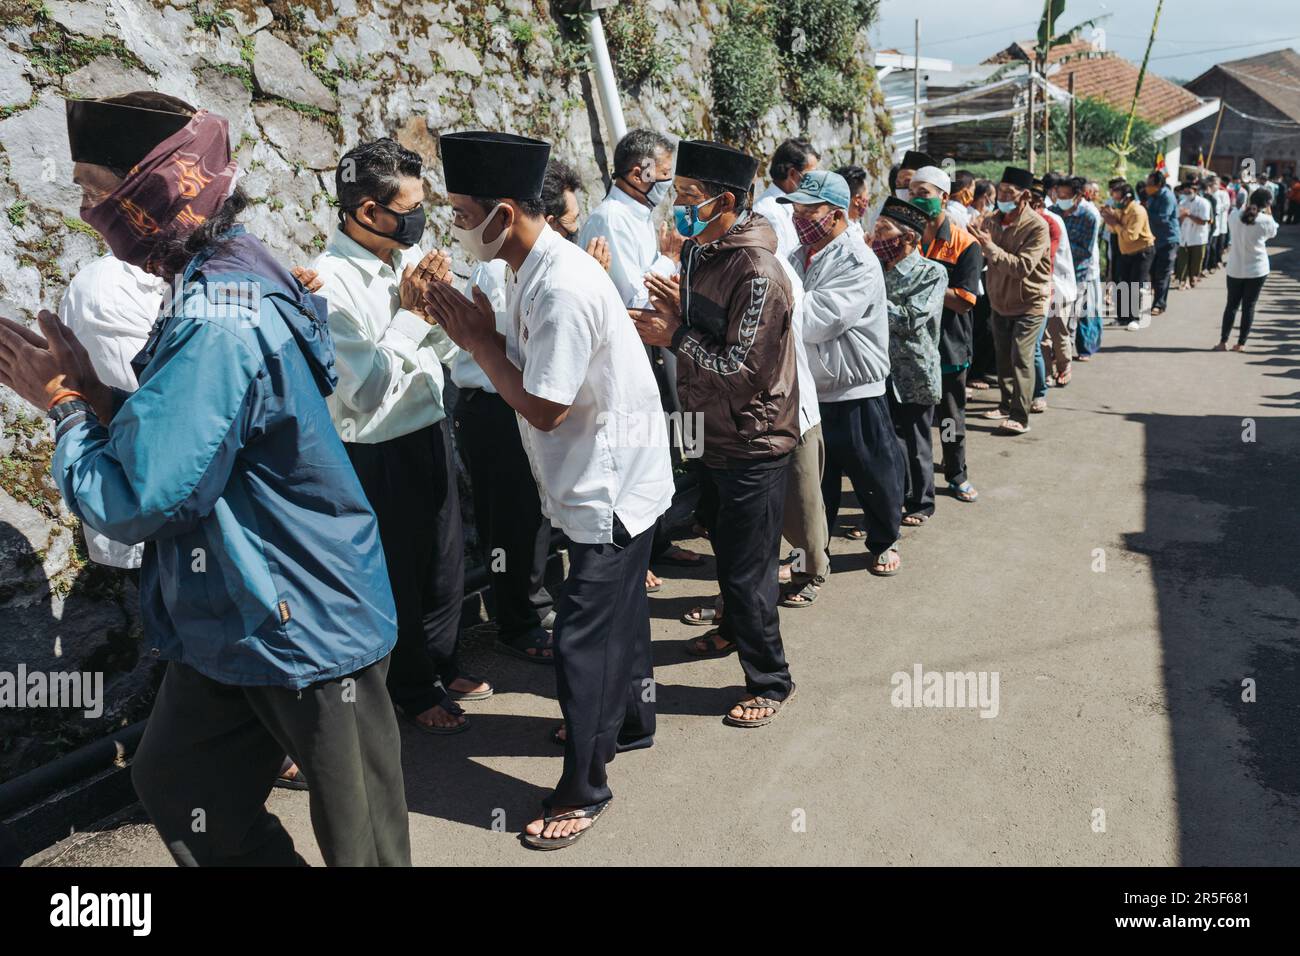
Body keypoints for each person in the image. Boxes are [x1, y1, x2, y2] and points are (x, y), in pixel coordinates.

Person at [0, 92, 409, 865]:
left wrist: (64, 410)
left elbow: (140, 497)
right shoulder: (223, 267)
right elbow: (199, 431)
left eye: (94, 186)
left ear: (154, 186)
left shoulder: (217, 312)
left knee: (364, 845)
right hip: (233, 610)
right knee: (180, 779)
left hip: (305, 618)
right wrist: (100, 396)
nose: (88, 208)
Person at [425, 130, 675, 849]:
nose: (455, 226)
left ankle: (584, 788)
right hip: (608, 473)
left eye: (462, 211)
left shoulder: (561, 284)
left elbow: (544, 405)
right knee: (618, 622)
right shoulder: (529, 268)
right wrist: (472, 329)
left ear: (504, 212)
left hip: (609, 486)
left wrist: (477, 343)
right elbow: (517, 358)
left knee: (581, 641)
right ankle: (628, 722)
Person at [310, 139, 486, 735]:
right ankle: (413, 688)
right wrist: (411, 317)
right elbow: (363, 389)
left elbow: (436, 349)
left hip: (428, 429)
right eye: (407, 207)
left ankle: (442, 664)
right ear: (366, 212)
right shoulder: (328, 286)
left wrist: (441, 313)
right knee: (399, 573)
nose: (420, 217)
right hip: (374, 449)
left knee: (445, 560)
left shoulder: (405, 261)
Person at [635, 138, 800, 726]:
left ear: (725, 200)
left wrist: (671, 336)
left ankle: (771, 680)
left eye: (687, 197)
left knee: (747, 567)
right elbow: (706, 329)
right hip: (709, 428)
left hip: (752, 437)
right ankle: (733, 630)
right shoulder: (705, 252)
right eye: (676, 194)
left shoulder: (757, 270)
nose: (677, 207)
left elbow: (744, 367)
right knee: (725, 548)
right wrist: (676, 315)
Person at [577, 130, 704, 581]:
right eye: (665, 177)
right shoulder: (610, 218)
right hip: (629, 350)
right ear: (639, 172)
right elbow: (636, 296)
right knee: (632, 450)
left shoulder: (637, 214)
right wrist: (670, 260)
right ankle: (638, 553)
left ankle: (659, 540)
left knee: (660, 447)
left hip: (652, 345)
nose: (670, 186)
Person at [792, 182, 902, 574]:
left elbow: (822, 319)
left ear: (836, 215)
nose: (798, 219)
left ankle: (884, 540)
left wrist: (781, 297)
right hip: (811, 386)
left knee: (872, 472)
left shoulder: (858, 260)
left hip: (855, 387)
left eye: (809, 212)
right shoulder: (796, 256)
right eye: (796, 211)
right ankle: (811, 551)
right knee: (817, 480)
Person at [56, 254, 165, 570]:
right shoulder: (110, 289)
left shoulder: (200, 281)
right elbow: (147, 421)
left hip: (165, 514)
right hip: (150, 523)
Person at [908, 165, 983, 503]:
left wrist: (922, 283)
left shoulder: (965, 244)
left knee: (951, 417)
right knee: (913, 420)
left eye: (924, 194)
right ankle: (913, 484)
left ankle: (956, 473)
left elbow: (965, 301)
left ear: (944, 197)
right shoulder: (904, 235)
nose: (917, 200)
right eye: (912, 193)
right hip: (910, 345)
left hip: (948, 346)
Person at [873, 197, 946, 527]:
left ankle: (922, 501)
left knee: (916, 441)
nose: (876, 237)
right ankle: (894, 498)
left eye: (884, 231)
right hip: (878, 368)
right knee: (886, 442)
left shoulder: (932, 272)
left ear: (909, 238)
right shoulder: (874, 266)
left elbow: (912, 318)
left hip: (914, 370)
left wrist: (870, 303)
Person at [965, 166, 1051, 436]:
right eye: (1000, 190)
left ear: (1024, 195)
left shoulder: (1037, 226)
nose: (1000, 196)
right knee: (1003, 358)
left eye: (1008, 192)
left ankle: (1020, 416)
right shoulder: (991, 219)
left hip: (1029, 303)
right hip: (999, 300)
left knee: (1021, 357)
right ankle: (1005, 404)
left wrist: (990, 246)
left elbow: (1023, 267)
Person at [1217, 187, 1279, 351]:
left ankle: (1223, 342)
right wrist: (1268, 213)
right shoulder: (1266, 220)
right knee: (1249, 306)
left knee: (1231, 305)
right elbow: (1272, 233)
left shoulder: (1234, 215)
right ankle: (1241, 343)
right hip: (1257, 268)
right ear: (1266, 204)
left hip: (1235, 267)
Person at [1031, 176, 1074, 406]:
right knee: (1043, 337)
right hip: (1040, 286)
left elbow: (1047, 257)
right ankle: (1045, 372)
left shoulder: (1051, 221)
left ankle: (1065, 365)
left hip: (1057, 283)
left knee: (1058, 332)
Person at [1051, 175, 1102, 363]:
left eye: (1066, 195)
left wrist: (1059, 246)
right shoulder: (1053, 212)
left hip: (1080, 273)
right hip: (1056, 272)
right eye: (1059, 194)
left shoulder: (1089, 215)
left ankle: (1070, 355)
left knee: (1075, 317)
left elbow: (1085, 250)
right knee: (1056, 316)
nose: (1062, 198)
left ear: (1078, 196)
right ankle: (1057, 354)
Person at [1099, 179, 1154, 331]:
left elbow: (1131, 236)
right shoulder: (1120, 210)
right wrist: (1109, 217)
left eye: (1117, 197)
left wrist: (1114, 222)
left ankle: (1135, 318)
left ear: (1127, 197)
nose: (1114, 201)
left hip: (1141, 251)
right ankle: (1123, 317)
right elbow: (1112, 230)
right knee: (1123, 283)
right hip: (1125, 251)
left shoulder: (1137, 211)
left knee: (1136, 284)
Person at [753, 137, 819, 260]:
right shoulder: (767, 212)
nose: (814, 182)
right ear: (793, 174)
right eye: (810, 176)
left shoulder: (795, 205)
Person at [1143, 171, 1179, 315]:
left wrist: (1144, 212)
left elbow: (1162, 218)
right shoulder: (1152, 197)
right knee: (1152, 272)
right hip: (1154, 240)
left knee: (1162, 274)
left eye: (1150, 184)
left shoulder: (1167, 197)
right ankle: (1157, 300)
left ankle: (1159, 304)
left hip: (1168, 240)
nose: (1147, 187)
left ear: (1158, 184)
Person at [1175, 178, 1211, 289]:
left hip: (1198, 237)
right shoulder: (1182, 202)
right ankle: (1182, 280)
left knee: (1196, 261)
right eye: (1185, 192)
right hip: (1184, 236)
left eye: (1189, 192)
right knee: (1182, 260)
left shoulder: (1203, 203)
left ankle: (1193, 277)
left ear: (1195, 190)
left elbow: (1203, 221)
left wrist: (1189, 215)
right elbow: (1178, 220)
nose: (1187, 194)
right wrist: (1182, 216)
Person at [836, 163, 871, 243]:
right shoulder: (850, 236)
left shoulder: (853, 225)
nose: (868, 199)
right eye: (867, 194)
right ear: (857, 200)